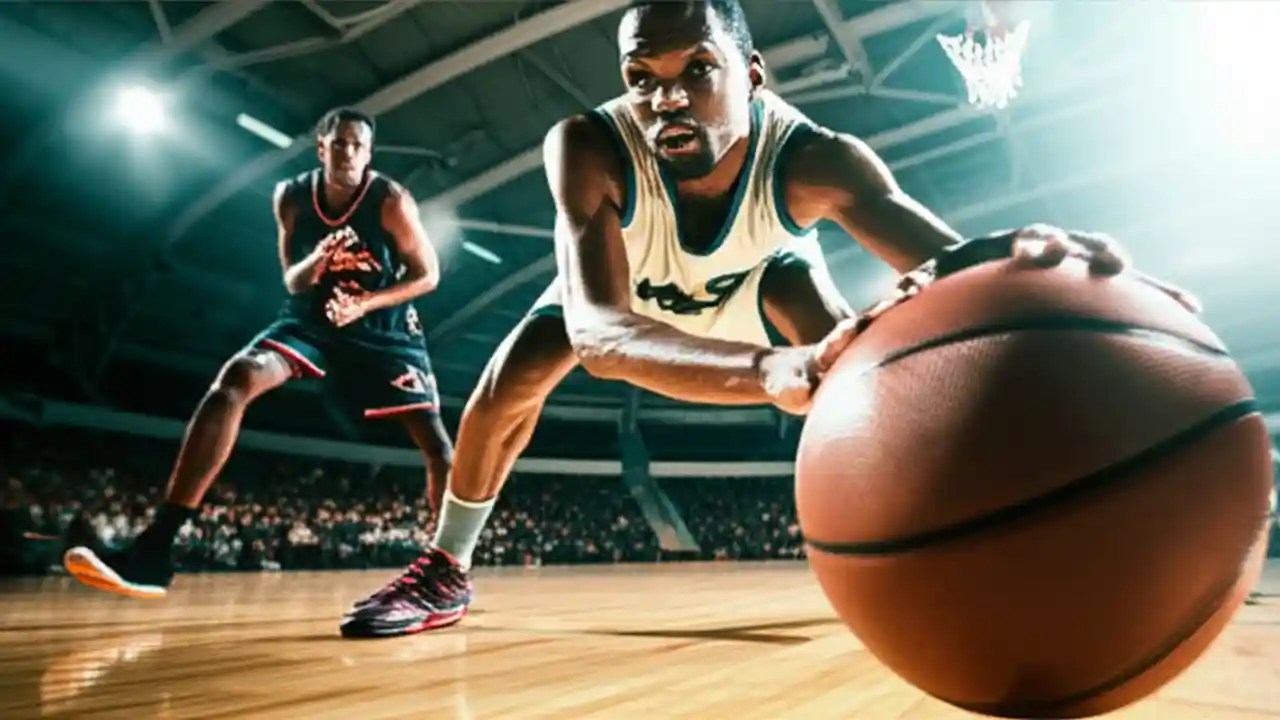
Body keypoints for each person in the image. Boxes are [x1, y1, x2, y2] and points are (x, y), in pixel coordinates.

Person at [337, 0, 1197, 638]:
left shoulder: (816, 160)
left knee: (865, 370)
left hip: (760, 277)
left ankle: (984, 534)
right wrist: (766, 371)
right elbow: (600, 335)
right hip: (627, 287)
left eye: (696, 72)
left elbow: (947, 268)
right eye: (642, 80)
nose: (666, 100)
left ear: (751, 75)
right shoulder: (589, 145)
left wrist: (1039, 259)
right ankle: (447, 565)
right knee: (507, 379)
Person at [63, 107, 454, 600]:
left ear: (369, 152)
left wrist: (366, 302)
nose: (348, 153)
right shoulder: (291, 197)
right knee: (236, 378)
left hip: (383, 324)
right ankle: (154, 548)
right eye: (340, 144)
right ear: (322, 147)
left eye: (358, 145)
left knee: (439, 448)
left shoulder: (390, 200)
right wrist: (317, 261)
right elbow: (291, 277)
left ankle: (446, 566)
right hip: (313, 318)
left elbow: (428, 275)